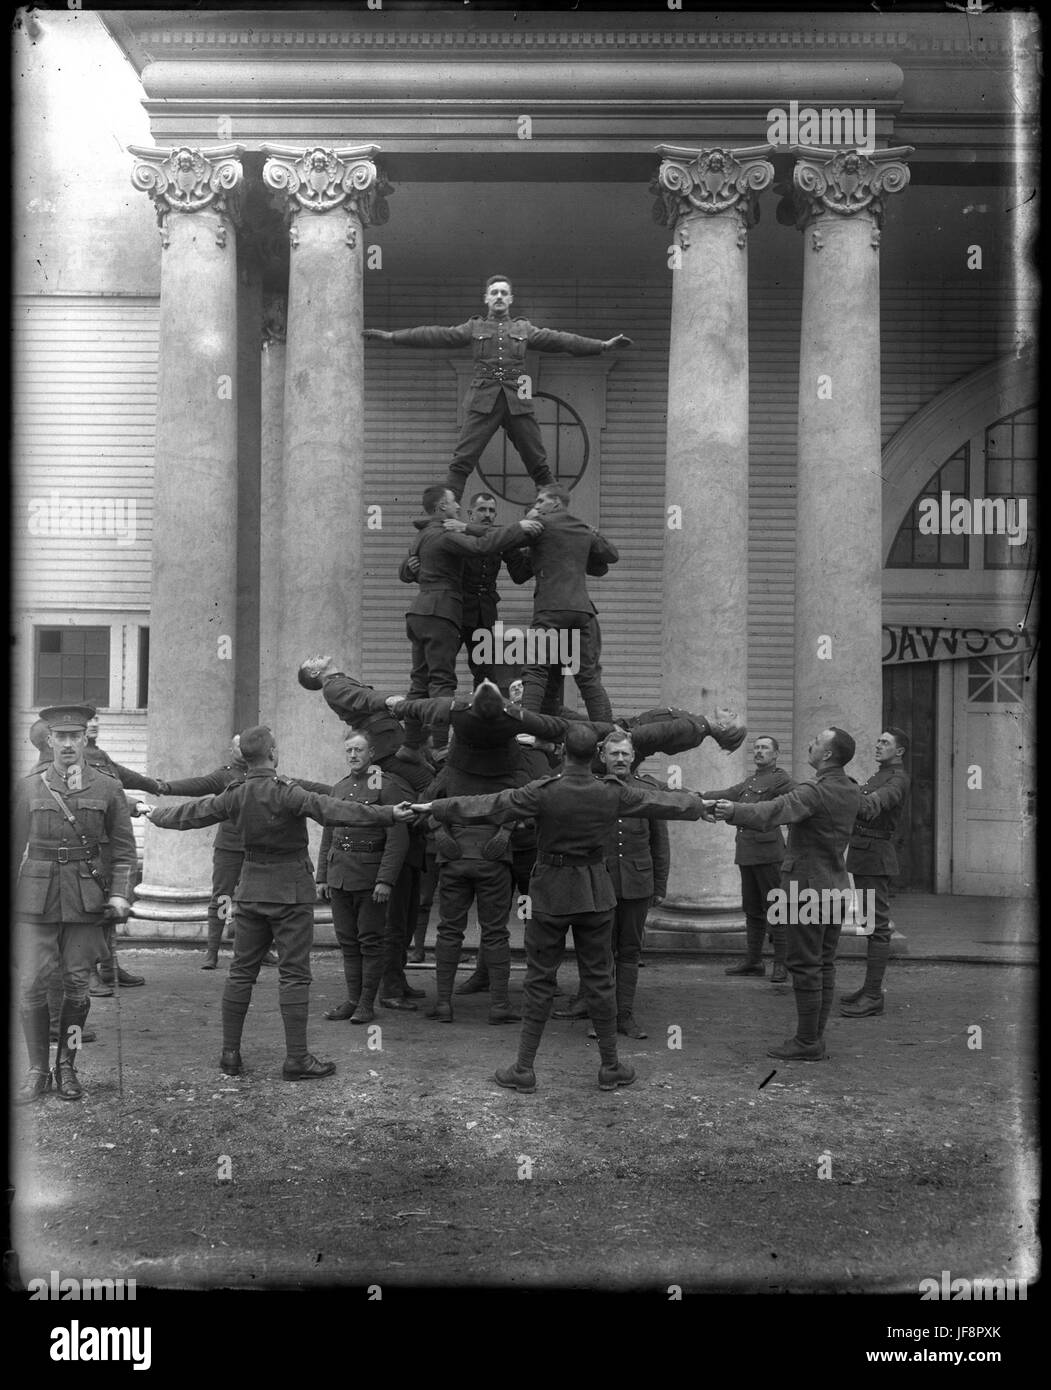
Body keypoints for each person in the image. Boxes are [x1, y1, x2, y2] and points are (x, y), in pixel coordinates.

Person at [412, 722, 709, 1093]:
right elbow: (663, 802)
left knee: (539, 981)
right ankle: (610, 1066)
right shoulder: (612, 793)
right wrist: (702, 805)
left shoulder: (542, 792)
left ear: (565, 752)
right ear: (595, 755)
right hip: (595, 892)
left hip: (550, 893)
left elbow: (488, 804)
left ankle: (524, 1069)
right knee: (600, 979)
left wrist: (433, 806)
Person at [138, 725, 414, 1081]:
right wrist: (390, 814)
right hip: (291, 893)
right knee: (294, 975)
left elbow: (192, 814)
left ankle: (230, 1056)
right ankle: (296, 1059)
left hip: (250, 892)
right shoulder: (287, 792)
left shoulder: (235, 793)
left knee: (240, 973)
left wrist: (151, 813)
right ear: (273, 753)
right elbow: (336, 810)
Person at [364, 274, 631, 499]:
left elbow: (562, 341)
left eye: (504, 292)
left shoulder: (524, 329)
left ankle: (554, 509)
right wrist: (392, 337)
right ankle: (446, 513)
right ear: (486, 298)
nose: (500, 297)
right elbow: (437, 334)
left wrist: (602, 346)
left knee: (537, 460)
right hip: (484, 401)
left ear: (511, 299)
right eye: (495, 293)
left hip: (518, 401)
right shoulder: (474, 327)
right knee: (462, 459)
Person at [711, 728, 861, 1062]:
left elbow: (771, 812)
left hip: (805, 890)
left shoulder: (814, 791)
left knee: (804, 965)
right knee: (824, 963)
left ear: (827, 755)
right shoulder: (850, 788)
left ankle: (807, 1042)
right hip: (835, 888)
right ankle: (814, 1038)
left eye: (817, 742)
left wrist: (729, 810)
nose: (810, 743)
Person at [14, 704, 136, 1103]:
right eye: (60, 737)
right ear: (49, 740)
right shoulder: (29, 787)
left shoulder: (106, 787)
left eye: (74, 736)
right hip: (35, 901)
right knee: (32, 983)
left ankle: (67, 1065)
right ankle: (36, 1070)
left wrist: (119, 892)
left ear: (86, 740)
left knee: (77, 987)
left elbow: (122, 850)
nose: (67, 744)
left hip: (86, 900)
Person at [158, 734, 331, 970]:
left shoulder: (269, 777)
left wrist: (341, 790)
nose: (242, 749)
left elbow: (309, 787)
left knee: (255, 900)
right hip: (230, 847)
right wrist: (164, 787)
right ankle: (213, 949)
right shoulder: (226, 776)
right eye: (237, 746)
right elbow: (197, 784)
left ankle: (260, 949)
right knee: (223, 897)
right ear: (232, 750)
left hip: (256, 849)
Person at [453, 483, 619, 721]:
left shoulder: (541, 526)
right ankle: (606, 733)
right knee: (587, 676)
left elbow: (499, 538)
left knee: (535, 670)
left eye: (541, 501)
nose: (537, 506)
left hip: (551, 611)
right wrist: (591, 535)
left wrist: (466, 527)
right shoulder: (582, 528)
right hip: (582, 612)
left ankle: (528, 731)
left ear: (555, 504)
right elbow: (609, 558)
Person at [401, 484, 542, 750]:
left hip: (482, 615)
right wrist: (411, 568)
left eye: (492, 510)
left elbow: (519, 573)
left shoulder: (490, 536)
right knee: (440, 676)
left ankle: (481, 730)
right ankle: (437, 743)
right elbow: (418, 566)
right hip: (452, 615)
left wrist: (537, 553)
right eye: (482, 510)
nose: (488, 514)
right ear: (469, 512)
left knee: (484, 674)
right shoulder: (453, 533)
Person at [574, 730, 670, 1040]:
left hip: (637, 883)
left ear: (633, 757)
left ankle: (625, 1016)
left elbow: (660, 844)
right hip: (599, 883)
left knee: (630, 951)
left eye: (625, 754)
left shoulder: (647, 791)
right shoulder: (591, 790)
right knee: (601, 952)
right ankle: (602, 1017)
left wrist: (659, 886)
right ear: (602, 757)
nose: (620, 759)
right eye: (614, 754)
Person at [317, 731, 411, 1025]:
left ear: (372, 753)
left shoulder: (387, 787)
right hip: (340, 875)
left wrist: (385, 880)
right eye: (349, 751)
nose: (353, 756)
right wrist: (322, 877)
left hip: (371, 878)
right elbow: (328, 834)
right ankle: (352, 1000)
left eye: (359, 750)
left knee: (370, 940)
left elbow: (398, 838)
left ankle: (367, 1004)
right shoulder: (339, 788)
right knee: (347, 941)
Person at [703, 735, 794, 982]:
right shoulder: (750, 781)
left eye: (765, 748)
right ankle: (754, 961)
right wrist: (694, 796)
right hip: (747, 853)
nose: (759, 752)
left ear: (776, 754)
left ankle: (780, 963)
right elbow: (726, 793)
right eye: (756, 748)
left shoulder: (780, 779)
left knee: (777, 909)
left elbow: (794, 806)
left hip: (769, 854)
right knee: (752, 910)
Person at [82, 714, 160, 992]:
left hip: (109, 842)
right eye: (88, 720)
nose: (94, 723)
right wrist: (134, 804)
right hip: (91, 844)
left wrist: (155, 786)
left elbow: (121, 777)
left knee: (112, 902)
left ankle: (109, 965)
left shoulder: (99, 755)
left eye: (96, 718)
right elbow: (106, 793)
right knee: (92, 907)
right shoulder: (76, 758)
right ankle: (88, 970)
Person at [840, 728, 912, 1018]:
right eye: (878, 740)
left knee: (877, 927)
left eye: (885, 742)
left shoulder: (897, 778)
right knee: (870, 926)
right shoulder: (880, 773)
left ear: (900, 751)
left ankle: (872, 995)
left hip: (875, 856)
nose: (878, 745)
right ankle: (868, 989)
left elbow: (873, 805)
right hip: (865, 854)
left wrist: (844, 791)